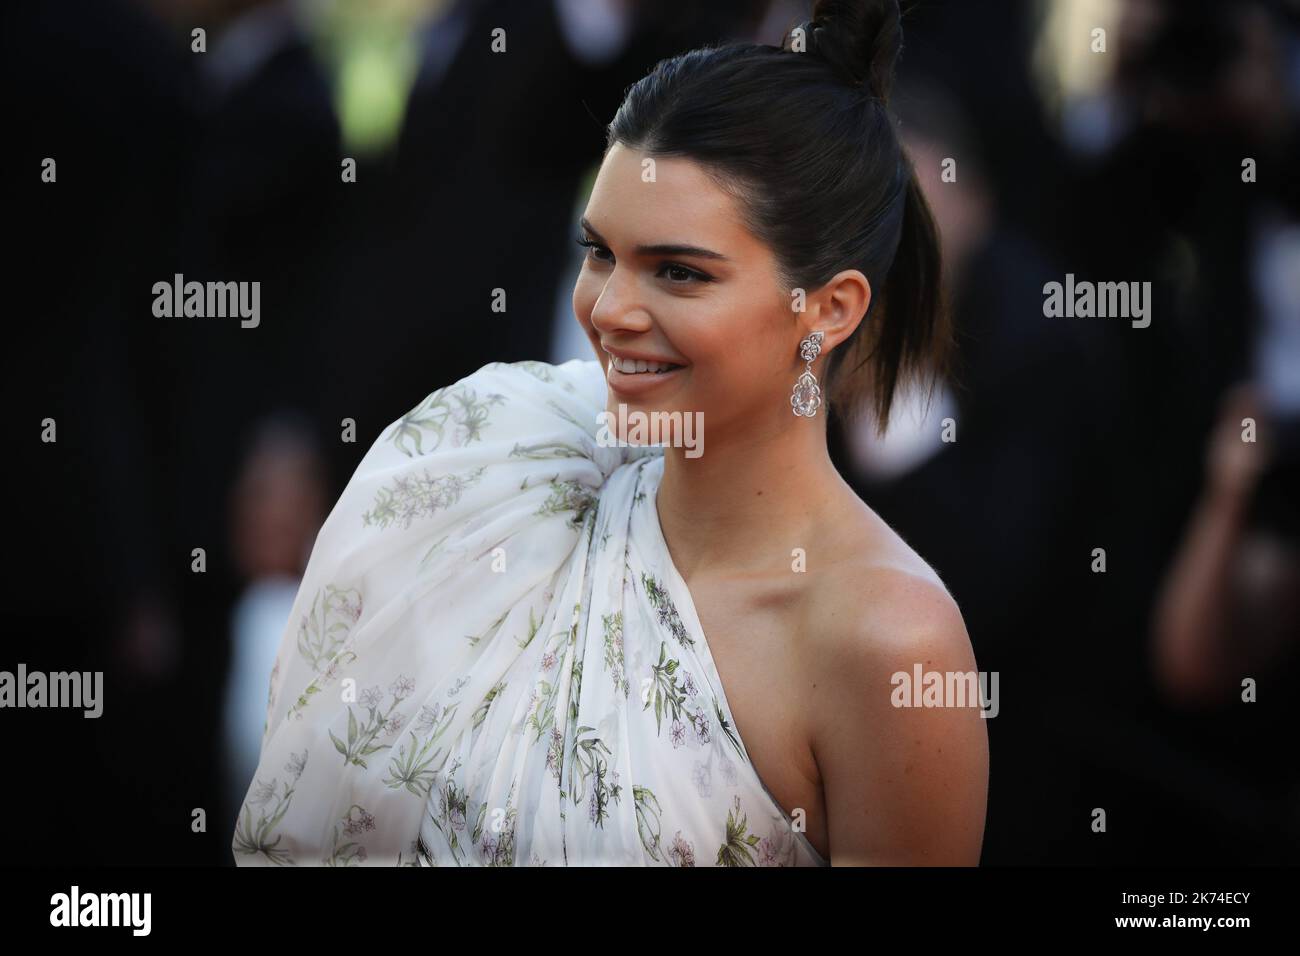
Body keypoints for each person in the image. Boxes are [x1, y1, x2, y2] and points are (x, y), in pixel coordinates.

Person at [233, 0, 988, 867]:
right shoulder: (498, 480)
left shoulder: (890, 643)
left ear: (828, 308)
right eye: (600, 253)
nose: (609, 310)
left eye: (677, 271)